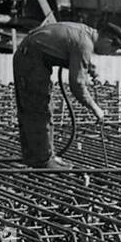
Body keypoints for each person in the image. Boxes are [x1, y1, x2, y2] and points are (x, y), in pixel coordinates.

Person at [12, 21, 107, 168]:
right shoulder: (85, 42)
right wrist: (95, 108)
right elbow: (77, 85)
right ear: (108, 41)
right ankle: (42, 160)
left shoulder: (84, 34)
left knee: (38, 108)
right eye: (112, 49)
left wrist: (89, 68)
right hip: (30, 59)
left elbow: (72, 52)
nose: (109, 53)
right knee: (39, 109)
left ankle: (39, 156)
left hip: (30, 56)